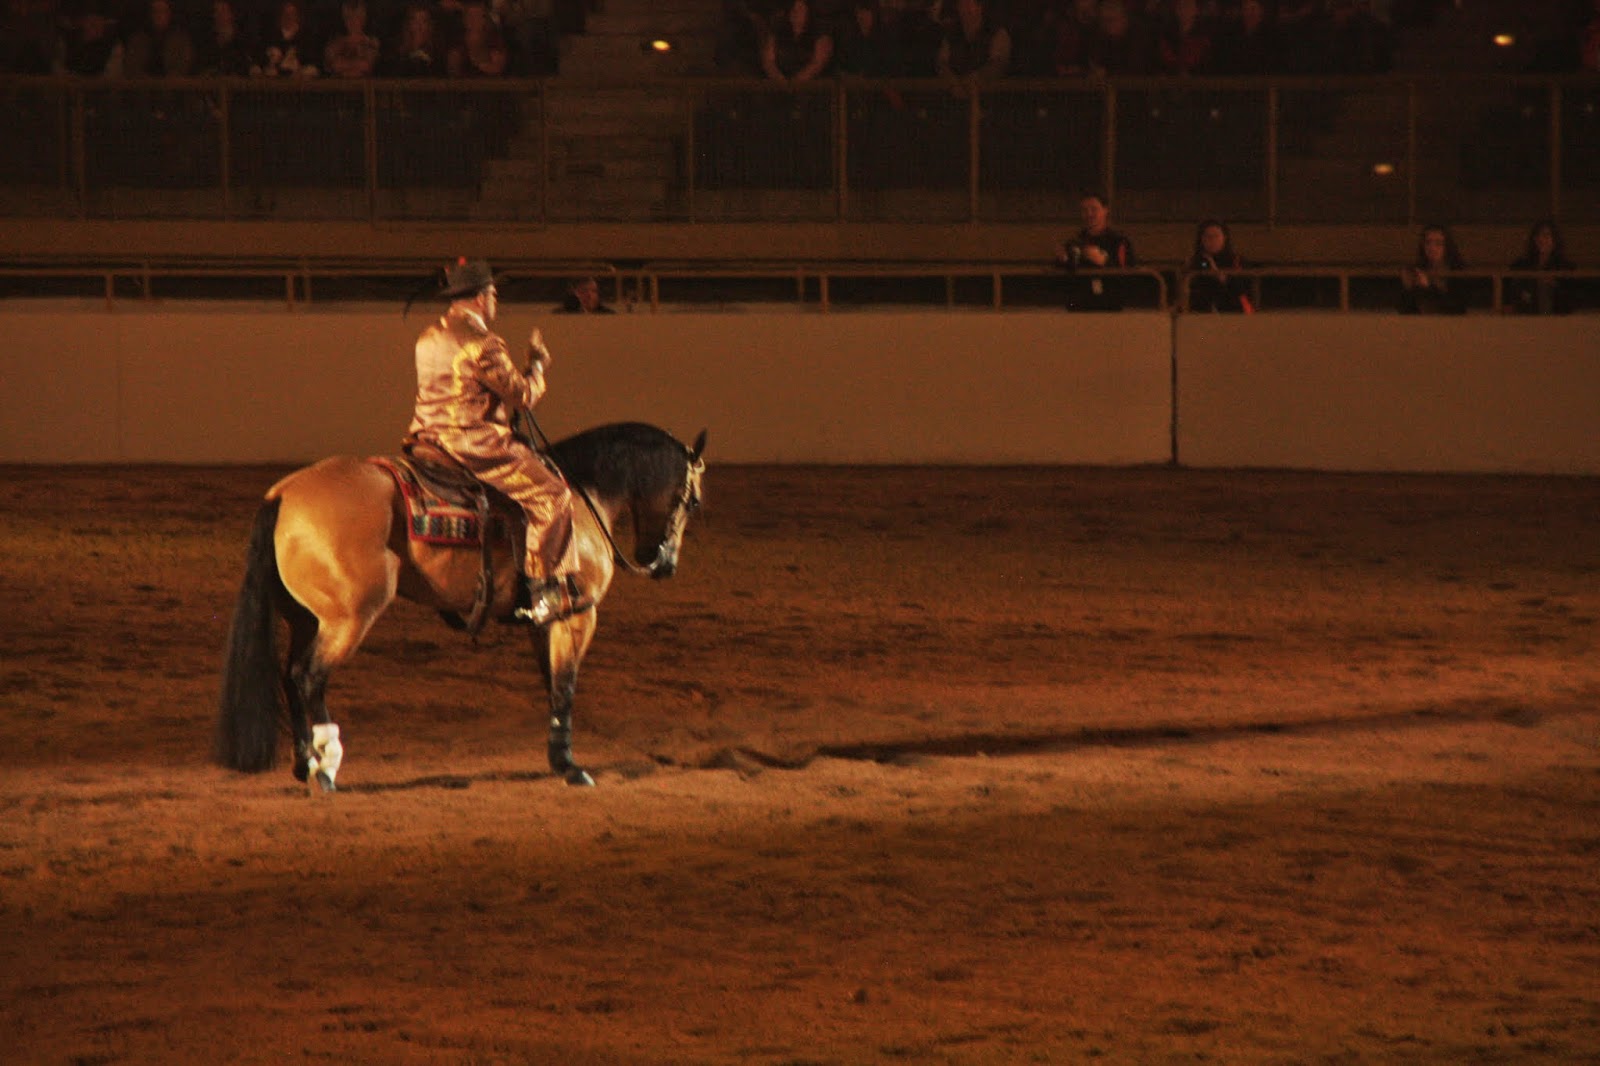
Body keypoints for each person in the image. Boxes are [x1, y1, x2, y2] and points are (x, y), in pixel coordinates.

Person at [406, 258, 590, 626]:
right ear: (477, 298)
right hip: (473, 444)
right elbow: (523, 396)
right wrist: (536, 365)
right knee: (553, 494)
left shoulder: (428, 336)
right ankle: (543, 590)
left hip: (427, 438)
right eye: (493, 293)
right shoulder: (482, 342)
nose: (496, 301)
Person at [1055, 190, 1136, 311]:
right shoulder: (1074, 243)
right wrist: (1064, 260)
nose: (1089, 214)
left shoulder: (1119, 241)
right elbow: (1061, 277)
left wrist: (1105, 263)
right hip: (1079, 306)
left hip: (1111, 306)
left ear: (1105, 210)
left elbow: (1130, 274)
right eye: (1084, 210)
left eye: (1094, 209)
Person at [1506, 219, 1575, 315]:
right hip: (1526, 316)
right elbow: (1513, 288)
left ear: (1555, 239)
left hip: (1557, 318)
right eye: (1538, 235)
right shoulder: (1522, 265)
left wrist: (1554, 284)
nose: (1541, 239)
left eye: (1546, 235)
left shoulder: (1565, 266)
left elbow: (1571, 296)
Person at [1185, 218, 1253, 313]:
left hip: (1234, 313)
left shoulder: (1237, 261)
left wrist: (1221, 277)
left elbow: (1243, 290)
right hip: (1201, 315)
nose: (1212, 240)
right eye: (1207, 236)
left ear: (1224, 238)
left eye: (1216, 236)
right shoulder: (1195, 262)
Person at [936, 0, 1011, 84]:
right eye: (962, 6)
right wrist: (951, 80)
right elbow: (942, 63)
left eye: (969, 5)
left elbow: (999, 64)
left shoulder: (997, 33)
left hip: (991, 92)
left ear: (979, 7)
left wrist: (976, 78)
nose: (965, 10)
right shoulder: (951, 35)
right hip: (956, 92)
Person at [1399, 223, 1467, 315]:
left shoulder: (1458, 272)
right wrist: (1408, 289)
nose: (1432, 248)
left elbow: (1456, 309)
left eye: (1438, 243)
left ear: (1447, 246)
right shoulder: (1417, 271)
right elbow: (1405, 311)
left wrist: (1428, 288)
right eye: (1428, 242)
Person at [761, 0, 833, 83]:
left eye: (801, 11)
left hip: (814, 86)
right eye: (794, 11)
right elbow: (768, 61)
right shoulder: (779, 29)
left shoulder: (820, 31)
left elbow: (818, 63)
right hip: (781, 84)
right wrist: (779, 80)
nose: (796, 15)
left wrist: (797, 83)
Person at [323, 0, 381, 78]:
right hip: (338, 87)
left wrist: (345, 66)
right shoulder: (335, 43)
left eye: (357, 17)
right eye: (349, 17)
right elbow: (334, 66)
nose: (353, 21)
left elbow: (366, 66)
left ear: (364, 18)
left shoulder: (371, 43)